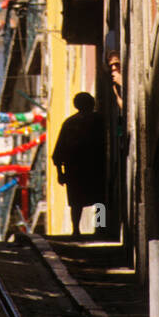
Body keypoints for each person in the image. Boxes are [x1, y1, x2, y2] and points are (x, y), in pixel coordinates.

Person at [52, 92, 106, 238]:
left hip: (74, 169)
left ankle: (76, 229)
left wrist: (60, 173)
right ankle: (100, 228)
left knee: (76, 202)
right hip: (96, 167)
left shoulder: (69, 123)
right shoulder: (99, 120)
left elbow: (58, 151)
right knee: (100, 199)